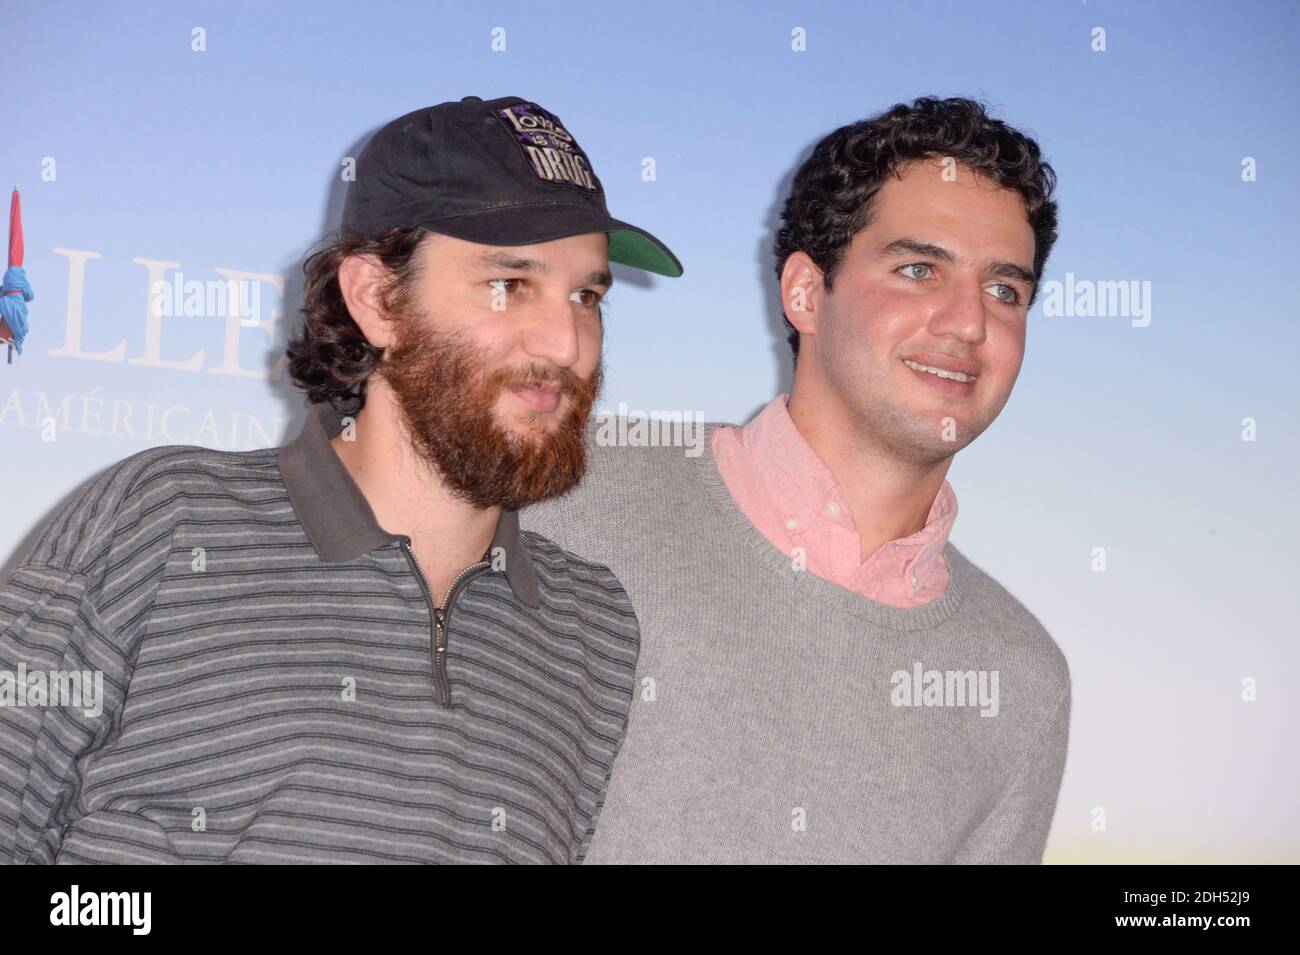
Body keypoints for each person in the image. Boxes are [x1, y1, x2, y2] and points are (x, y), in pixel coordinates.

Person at [0, 95, 682, 864]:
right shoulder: (159, 525)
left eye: (586, 296)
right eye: (510, 284)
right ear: (376, 298)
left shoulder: (590, 627)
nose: (567, 342)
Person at [522, 96, 1070, 863]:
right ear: (806, 292)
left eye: (1005, 290)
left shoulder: (1019, 682)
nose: (969, 322)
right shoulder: (561, 493)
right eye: (920, 269)